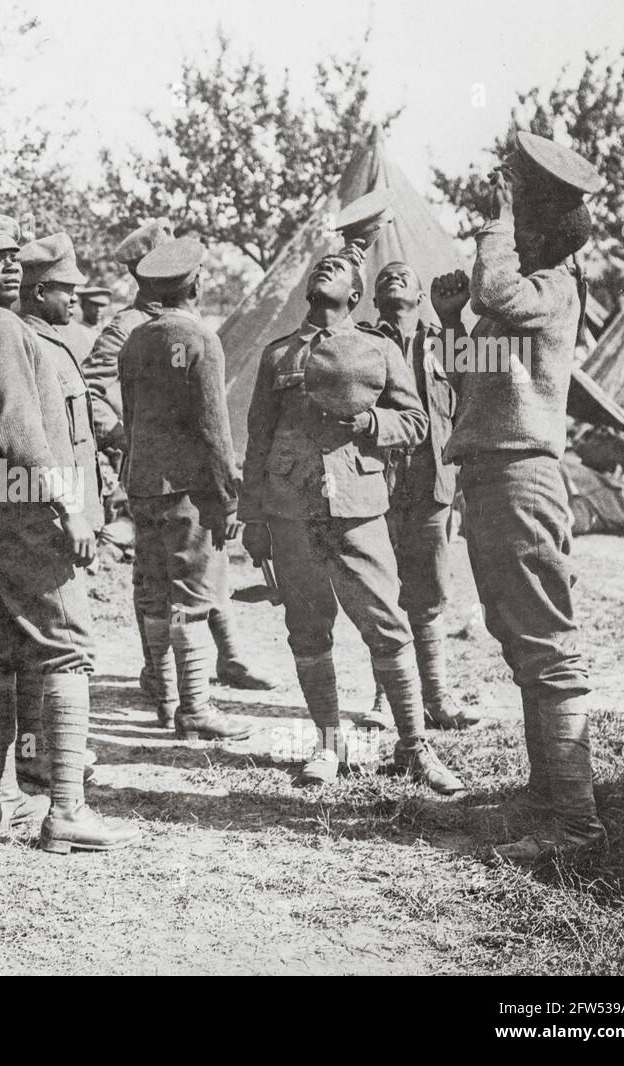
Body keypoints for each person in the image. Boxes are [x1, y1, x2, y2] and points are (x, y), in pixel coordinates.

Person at [434, 132, 608, 863]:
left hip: (522, 475)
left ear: (539, 230)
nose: (506, 237)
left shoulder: (552, 287)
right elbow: (469, 373)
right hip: (493, 474)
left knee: (545, 644)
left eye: (518, 223)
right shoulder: (523, 301)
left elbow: (495, 289)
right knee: (520, 639)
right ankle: (548, 800)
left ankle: (575, 825)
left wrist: (495, 221)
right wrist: (451, 323)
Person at [239, 242, 465, 795]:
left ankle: (413, 746)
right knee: (306, 629)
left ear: (356, 294)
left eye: (338, 268)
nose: (326, 268)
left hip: (359, 508)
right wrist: (253, 518)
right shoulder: (277, 355)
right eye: (322, 265)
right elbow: (258, 438)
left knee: (387, 625)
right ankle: (328, 745)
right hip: (291, 510)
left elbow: (415, 422)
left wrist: (369, 424)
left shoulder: (376, 348)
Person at [0, 215, 140, 853]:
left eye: (14, 256)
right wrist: (69, 508)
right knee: (66, 649)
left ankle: (1, 800)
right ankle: (66, 809)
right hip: (31, 511)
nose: (10, 266)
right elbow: (19, 432)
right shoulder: (0, 327)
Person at [84, 219, 274, 696]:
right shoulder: (128, 327)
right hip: (172, 477)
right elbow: (91, 392)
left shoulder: (160, 329)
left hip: (165, 478)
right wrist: (128, 439)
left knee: (200, 571)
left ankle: (222, 660)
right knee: (165, 580)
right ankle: (164, 678)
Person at [120, 236, 256, 740]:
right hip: (189, 492)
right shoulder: (200, 338)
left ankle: (166, 699)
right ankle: (195, 707)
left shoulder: (136, 340)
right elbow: (213, 429)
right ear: (195, 285)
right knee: (192, 597)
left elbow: (131, 417)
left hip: (144, 486)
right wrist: (226, 498)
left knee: (156, 592)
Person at [357, 262, 477, 731]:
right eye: (385, 276)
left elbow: (474, 381)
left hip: (432, 484)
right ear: (372, 299)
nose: (395, 276)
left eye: (406, 275)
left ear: (422, 296)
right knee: (381, 594)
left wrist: (453, 318)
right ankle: (386, 698)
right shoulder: (360, 341)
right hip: (376, 483)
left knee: (428, 592)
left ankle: (437, 697)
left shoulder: (443, 340)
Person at [12, 233, 104, 788]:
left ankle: (34, 751)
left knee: (39, 643)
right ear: (39, 291)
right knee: (62, 643)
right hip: (45, 514)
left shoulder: (54, 341)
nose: (74, 298)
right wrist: (68, 511)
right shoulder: (29, 344)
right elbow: (34, 444)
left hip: (59, 508)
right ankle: (46, 761)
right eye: (66, 289)